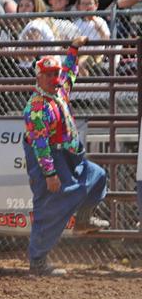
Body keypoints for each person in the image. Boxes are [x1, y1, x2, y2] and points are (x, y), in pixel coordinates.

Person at [22, 36, 108, 276]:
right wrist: (50, 174)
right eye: (48, 74)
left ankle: (83, 219)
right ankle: (38, 262)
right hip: (50, 159)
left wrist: (74, 49)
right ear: (39, 77)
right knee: (50, 206)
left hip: (69, 155)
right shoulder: (37, 108)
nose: (54, 78)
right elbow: (40, 145)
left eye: (55, 74)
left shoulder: (61, 90)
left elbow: (70, 71)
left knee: (97, 176)